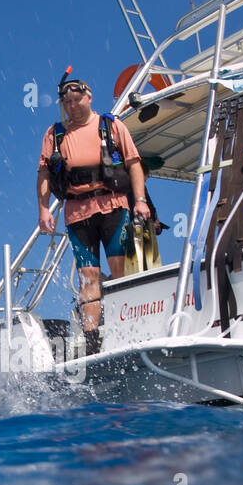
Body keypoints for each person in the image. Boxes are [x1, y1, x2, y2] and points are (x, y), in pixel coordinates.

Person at [36, 72, 148, 355]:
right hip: (77, 213)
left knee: (118, 269)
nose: (72, 106)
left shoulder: (111, 125)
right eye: (66, 102)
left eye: (76, 100)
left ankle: (124, 328)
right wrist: (42, 209)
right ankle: (92, 339)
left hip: (113, 206)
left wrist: (141, 201)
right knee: (89, 275)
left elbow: (134, 164)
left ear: (88, 97)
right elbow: (44, 173)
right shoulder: (54, 134)